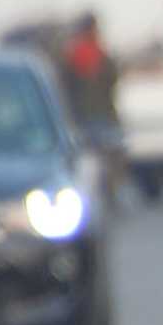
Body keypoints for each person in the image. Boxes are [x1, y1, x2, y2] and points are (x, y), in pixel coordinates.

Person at [57, 11, 126, 216]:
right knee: (105, 160)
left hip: (90, 117)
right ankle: (107, 198)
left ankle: (100, 199)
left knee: (95, 162)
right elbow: (112, 80)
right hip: (96, 117)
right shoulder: (94, 55)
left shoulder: (74, 55)